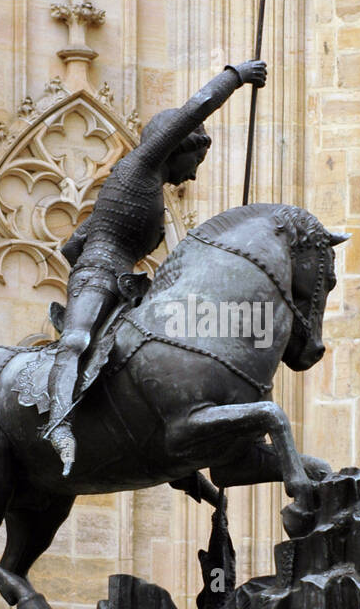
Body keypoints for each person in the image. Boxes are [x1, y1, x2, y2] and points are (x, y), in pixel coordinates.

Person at [43, 59, 267, 472]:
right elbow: (194, 109)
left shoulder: (142, 189)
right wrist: (238, 76)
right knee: (76, 339)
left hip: (127, 284)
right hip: (101, 275)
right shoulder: (140, 167)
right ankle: (58, 424)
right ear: (180, 147)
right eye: (196, 162)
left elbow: (72, 243)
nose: (194, 177)